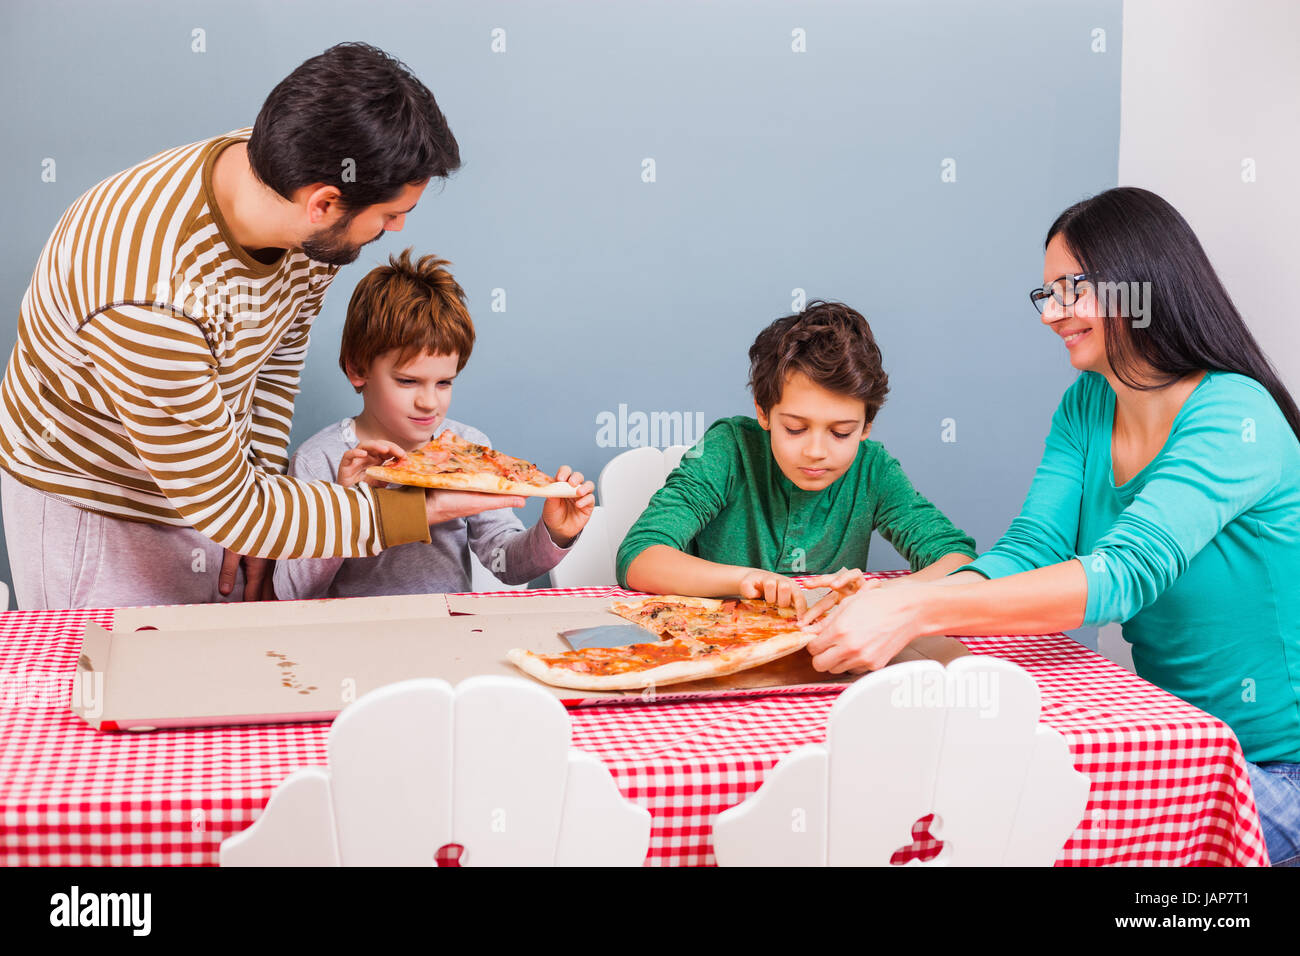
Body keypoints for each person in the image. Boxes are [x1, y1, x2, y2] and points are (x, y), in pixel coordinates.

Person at [802, 187, 1300, 866]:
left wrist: (914, 604)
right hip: (1173, 739)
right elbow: (1032, 549)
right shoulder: (1088, 404)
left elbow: (1124, 572)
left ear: (1140, 289)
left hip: (1270, 770)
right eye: (1048, 294)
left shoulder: (1236, 416)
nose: (1054, 314)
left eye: (1073, 289)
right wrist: (897, 603)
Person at [0, 42, 511, 609]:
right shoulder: (146, 298)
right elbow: (227, 505)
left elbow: (278, 352)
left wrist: (265, 504)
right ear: (324, 203)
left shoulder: (293, 185)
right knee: (114, 684)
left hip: (215, 471)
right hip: (98, 493)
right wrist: (417, 509)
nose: (395, 229)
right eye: (389, 215)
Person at [616, 300, 978, 615]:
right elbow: (640, 556)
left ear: (867, 425)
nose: (817, 452)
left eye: (840, 433)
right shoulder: (729, 449)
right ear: (764, 413)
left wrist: (882, 597)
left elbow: (958, 561)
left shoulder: (873, 469)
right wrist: (746, 578)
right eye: (794, 429)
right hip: (713, 640)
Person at [273, 250, 594, 598]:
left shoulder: (469, 450)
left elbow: (508, 566)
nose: (429, 402)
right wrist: (344, 507)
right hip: (351, 641)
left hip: (449, 635)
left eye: (444, 383)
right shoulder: (318, 458)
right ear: (358, 370)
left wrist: (555, 533)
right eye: (407, 381)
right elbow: (293, 593)